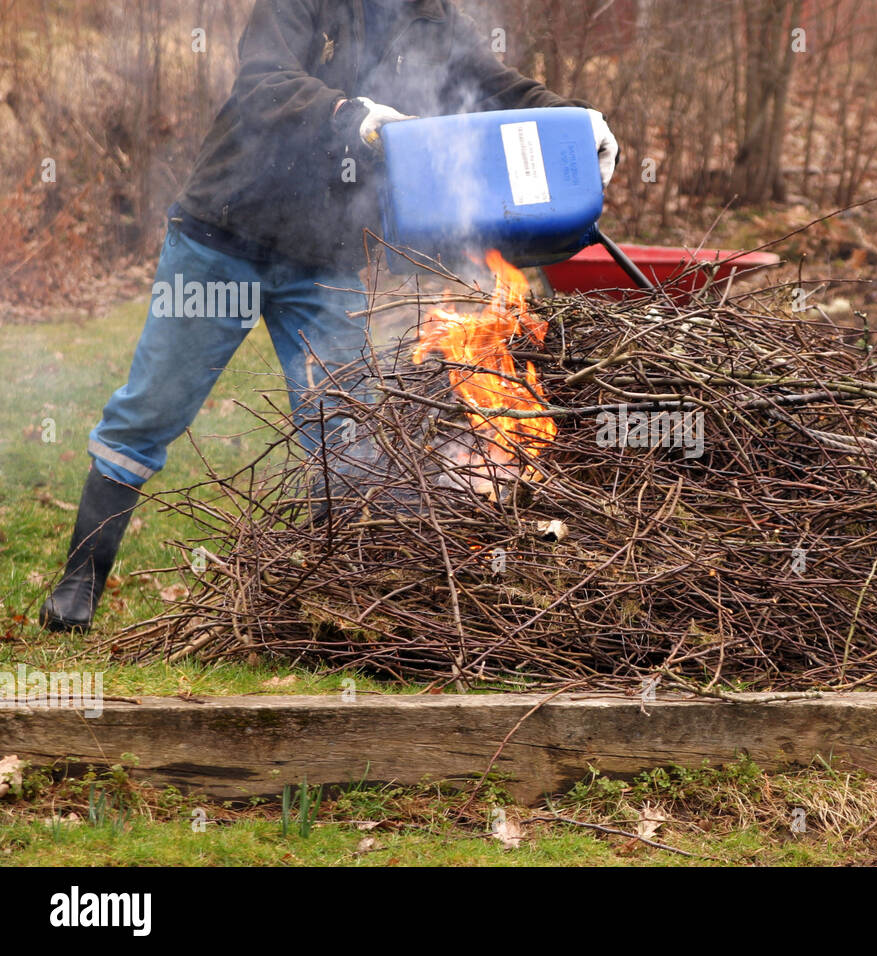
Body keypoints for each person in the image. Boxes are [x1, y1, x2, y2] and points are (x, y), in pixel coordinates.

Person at [40, 0, 619, 632]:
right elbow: (264, 80)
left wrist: (570, 118)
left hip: (327, 255)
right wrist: (350, 114)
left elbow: (490, 84)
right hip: (225, 236)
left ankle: (331, 604)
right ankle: (81, 580)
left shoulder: (430, 14)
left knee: (344, 433)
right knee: (150, 408)